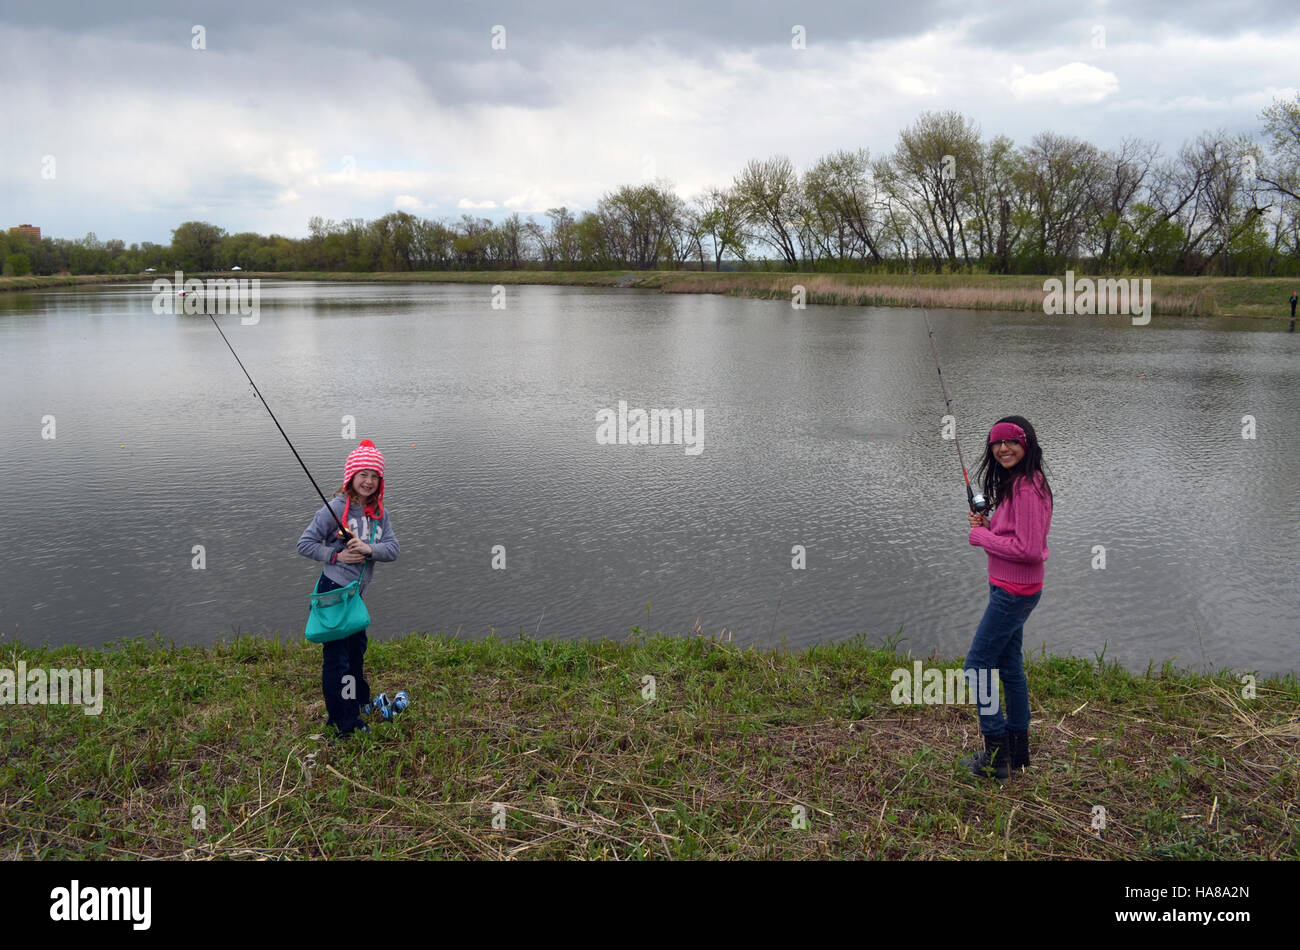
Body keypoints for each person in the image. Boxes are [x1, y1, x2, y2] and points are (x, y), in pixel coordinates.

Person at [960, 417, 1053, 779]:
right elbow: (1015, 534)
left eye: (1011, 442)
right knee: (1010, 666)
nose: (1003, 449)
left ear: (1027, 444)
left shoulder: (1028, 488)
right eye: (997, 444)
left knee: (977, 666)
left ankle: (997, 756)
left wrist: (980, 537)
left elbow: (1028, 549)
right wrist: (989, 525)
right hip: (1009, 587)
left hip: (1014, 592)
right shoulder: (1022, 483)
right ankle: (1019, 753)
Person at [297, 439, 400, 737]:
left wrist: (369, 549)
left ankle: (359, 699)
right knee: (337, 658)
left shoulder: (380, 513)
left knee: (357, 650)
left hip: (356, 594)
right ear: (351, 478)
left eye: (374, 476)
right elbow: (304, 544)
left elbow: (392, 549)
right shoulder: (335, 508)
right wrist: (336, 555)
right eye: (362, 474)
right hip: (334, 590)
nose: (368, 481)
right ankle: (343, 722)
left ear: (380, 482)